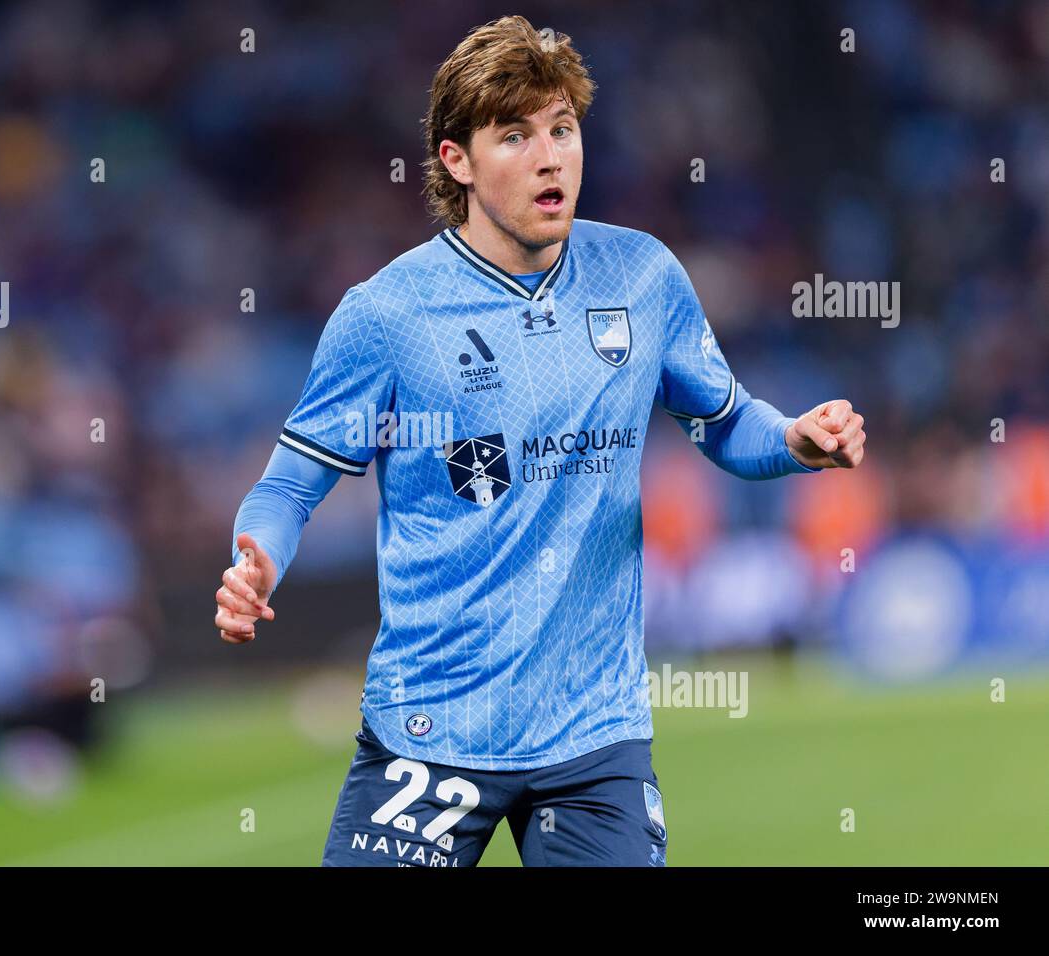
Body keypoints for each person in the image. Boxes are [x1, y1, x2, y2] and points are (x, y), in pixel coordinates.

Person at [216, 15, 866, 867]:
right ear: (457, 160)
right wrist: (255, 560)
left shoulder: (641, 276)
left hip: (593, 737)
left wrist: (795, 441)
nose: (551, 156)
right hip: (432, 727)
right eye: (515, 135)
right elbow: (289, 488)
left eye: (562, 130)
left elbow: (724, 423)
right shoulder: (387, 315)